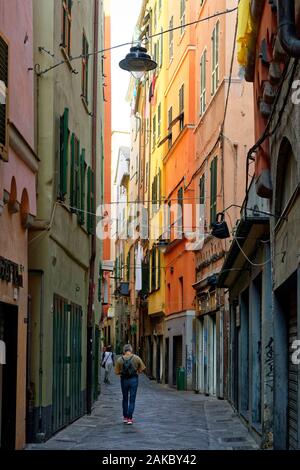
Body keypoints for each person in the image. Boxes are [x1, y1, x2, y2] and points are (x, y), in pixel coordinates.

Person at [114, 343, 146, 425]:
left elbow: (117, 372)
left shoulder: (119, 359)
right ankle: (129, 418)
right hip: (134, 380)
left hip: (124, 380)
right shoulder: (136, 358)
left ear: (124, 351)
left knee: (125, 398)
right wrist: (137, 372)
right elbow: (142, 369)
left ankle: (125, 417)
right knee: (132, 399)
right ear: (131, 350)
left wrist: (122, 372)